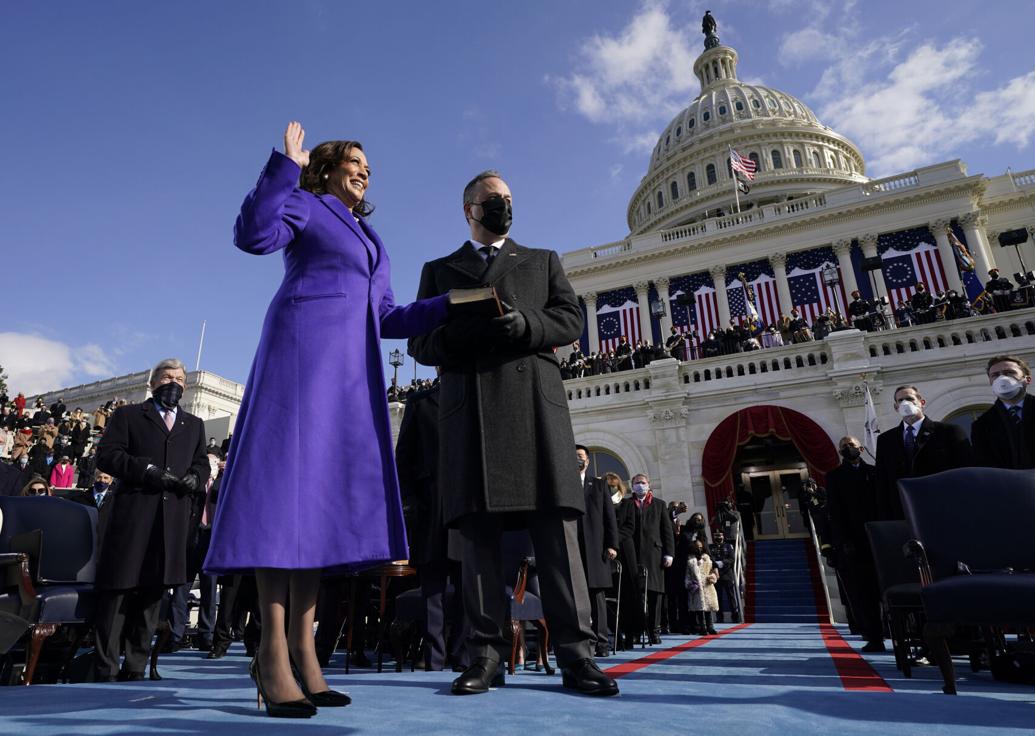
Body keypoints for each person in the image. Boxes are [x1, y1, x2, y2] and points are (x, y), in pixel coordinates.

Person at [203, 122, 448, 717]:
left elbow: (387, 315)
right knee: (284, 501)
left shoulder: (373, 240)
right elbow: (252, 235)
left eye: (369, 166)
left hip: (347, 376)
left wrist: (455, 307)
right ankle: (270, 654)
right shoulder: (306, 205)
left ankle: (304, 654)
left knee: (315, 507)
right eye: (355, 162)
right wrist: (285, 166)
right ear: (329, 168)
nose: (365, 171)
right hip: (299, 358)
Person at [408, 169, 618, 697]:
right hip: (471, 410)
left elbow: (570, 320)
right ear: (468, 209)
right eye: (490, 199)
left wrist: (527, 325)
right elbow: (419, 343)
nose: (501, 205)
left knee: (555, 535)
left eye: (506, 198)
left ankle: (576, 653)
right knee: (477, 539)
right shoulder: (439, 270)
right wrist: (458, 335)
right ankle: (483, 655)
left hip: (533, 408)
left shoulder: (542, 260)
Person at [92, 358, 210, 682]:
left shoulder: (194, 424)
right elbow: (108, 455)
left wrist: (196, 479)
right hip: (133, 515)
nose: (174, 382)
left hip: (169, 521)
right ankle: (105, 668)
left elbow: (202, 464)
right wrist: (146, 470)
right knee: (117, 592)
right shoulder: (128, 415)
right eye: (167, 376)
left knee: (152, 595)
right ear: (153, 381)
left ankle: (135, 666)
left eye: (180, 378)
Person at [395, 381, 468, 672]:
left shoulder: (473, 396)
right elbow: (404, 457)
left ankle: (464, 657)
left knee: (467, 590)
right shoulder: (420, 402)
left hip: (466, 509)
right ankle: (434, 658)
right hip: (429, 510)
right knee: (432, 592)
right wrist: (410, 500)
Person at [874, 385, 973, 520]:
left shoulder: (949, 431)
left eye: (909, 398)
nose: (905, 403)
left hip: (945, 507)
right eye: (900, 400)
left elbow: (965, 471)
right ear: (896, 407)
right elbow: (882, 482)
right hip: (905, 512)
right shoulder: (885, 440)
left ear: (922, 402)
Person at [825, 436, 883, 651]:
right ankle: (874, 636)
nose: (848, 448)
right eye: (843, 446)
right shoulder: (834, 477)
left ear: (861, 447)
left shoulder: (875, 472)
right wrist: (839, 543)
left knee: (885, 590)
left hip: (879, 539)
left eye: (851, 445)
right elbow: (835, 512)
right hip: (854, 543)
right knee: (864, 593)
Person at [616, 473, 674, 646]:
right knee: (633, 594)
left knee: (655, 593)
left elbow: (667, 531)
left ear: (649, 485)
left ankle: (654, 630)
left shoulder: (659, 505)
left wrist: (669, 554)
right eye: (636, 483)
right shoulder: (626, 504)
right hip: (631, 554)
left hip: (654, 554)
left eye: (642, 483)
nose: (639, 485)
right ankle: (635, 630)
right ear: (631, 486)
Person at [575, 445, 619, 658]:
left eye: (581, 457)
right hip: (573, 547)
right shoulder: (565, 483)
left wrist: (612, 544)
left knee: (597, 598)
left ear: (588, 461)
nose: (577, 460)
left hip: (596, 549)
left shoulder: (599, 484)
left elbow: (609, 517)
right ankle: (581, 641)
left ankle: (601, 643)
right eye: (574, 456)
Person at [971, 355, 1034, 469]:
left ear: (1027, 379)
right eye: (995, 375)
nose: (1002, 379)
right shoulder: (981, 426)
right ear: (990, 382)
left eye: (1009, 372)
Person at [685, 538, 718, 635]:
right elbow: (687, 575)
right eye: (697, 547)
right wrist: (689, 584)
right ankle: (702, 627)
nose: (699, 549)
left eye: (701, 547)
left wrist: (712, 577)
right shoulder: (690, 560)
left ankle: (710, 627)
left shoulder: (707, 558)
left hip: (707, 586)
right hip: (696, 588)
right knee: (699, 609)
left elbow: (712, 572)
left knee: (708, 608)